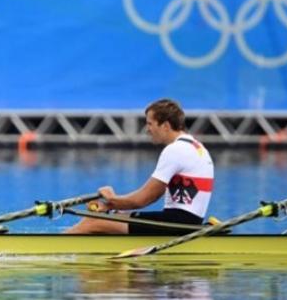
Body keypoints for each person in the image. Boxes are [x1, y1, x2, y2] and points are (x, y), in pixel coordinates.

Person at [65, 98, 213, 235]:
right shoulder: (196, 146)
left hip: (178, 224)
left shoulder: (175, 150)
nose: (147, 129)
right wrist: (114, 205)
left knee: (93, 222)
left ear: (166, 126)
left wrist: (110, 202)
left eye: (150, 124)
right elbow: (152, 195)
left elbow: (144, 199)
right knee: (110, 217)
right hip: (186, 221)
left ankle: (56, 249)